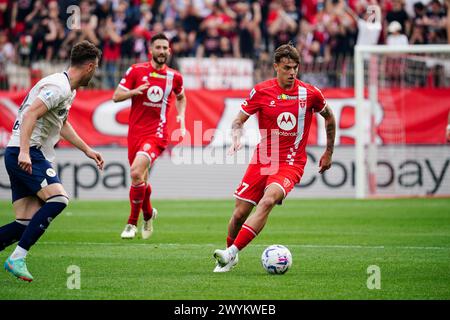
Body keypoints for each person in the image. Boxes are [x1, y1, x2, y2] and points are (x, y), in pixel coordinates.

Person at [213, 43, 336, 272]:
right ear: (276, 67)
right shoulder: (261, 91)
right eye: (287, 67)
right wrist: (236, 137)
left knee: (268, 200)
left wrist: (329, 152)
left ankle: (230, 253)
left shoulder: (310, 93)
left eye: (295, 68)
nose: (292, 72)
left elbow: (329, 117)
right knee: (239, 214)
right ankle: (230, 254)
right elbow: (238, 120)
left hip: (291, 162)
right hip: (263, 158)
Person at [1, 40, 104, 282]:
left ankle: (17, 253)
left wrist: (87, 150)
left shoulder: (68, 88)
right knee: (59, 199)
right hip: (26, 152)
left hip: (19, 152)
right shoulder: (59, 87)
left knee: (24, 223)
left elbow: (62, 124)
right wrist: (26, 152)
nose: (96, 72)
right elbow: (30, 114)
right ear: (90, 66)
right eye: (96, 67)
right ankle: (18, 258)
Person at [113, 33, 186, 240]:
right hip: (135, 133)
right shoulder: (136, 71)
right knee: (140, 178)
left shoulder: (175, 77)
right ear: (151, 50)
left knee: (136, 173)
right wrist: (134, 91)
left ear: (169, 51)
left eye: (165, 48)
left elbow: (181, 97)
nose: (162, 51)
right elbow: (116, 96)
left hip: (157, 134)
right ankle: (148, 213)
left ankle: (131, 224)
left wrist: (181, 116)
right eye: (159, 48)